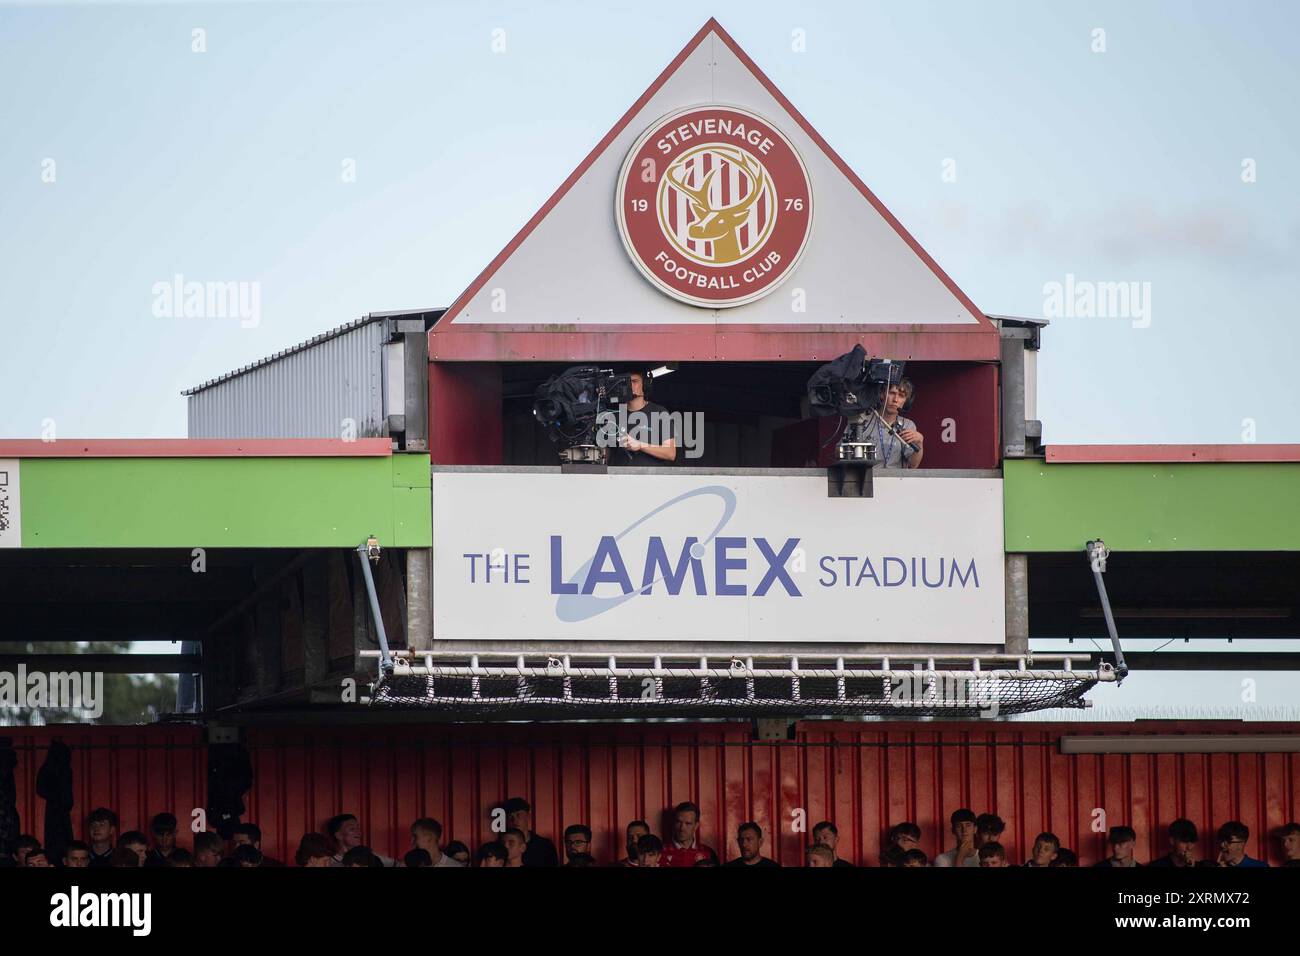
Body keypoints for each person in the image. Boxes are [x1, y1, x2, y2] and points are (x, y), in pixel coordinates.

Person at [609, 369, 678, 466]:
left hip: (650, 478)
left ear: (645, 385)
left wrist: (640, 445)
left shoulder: (660, 413)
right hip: (619, 477)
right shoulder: (614, 415)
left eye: (634, 381)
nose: (629, 386)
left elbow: (670, 453)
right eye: (626, 382)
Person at [872, 378, 923, 469]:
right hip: (868, 479)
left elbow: (914, 465)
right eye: (892, 393)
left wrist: (919, 443)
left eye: (901, 396)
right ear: (882, 394)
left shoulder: (908, 425)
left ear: (905, 401)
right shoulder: (862, 420)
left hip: (896, 480)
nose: (895, 399)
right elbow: (838, 452)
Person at [500, 798, 558, 867]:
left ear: (528, 817)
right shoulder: (499, 846)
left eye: (518, 815)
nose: (514, 820)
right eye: (510, 816)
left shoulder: (545, 846)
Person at [661, 801, 718, 867]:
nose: (682, 828)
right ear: (674, 823)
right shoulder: (661, 852)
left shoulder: (708, 852)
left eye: (688, 823)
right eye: (678, 822)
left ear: (696, 825)